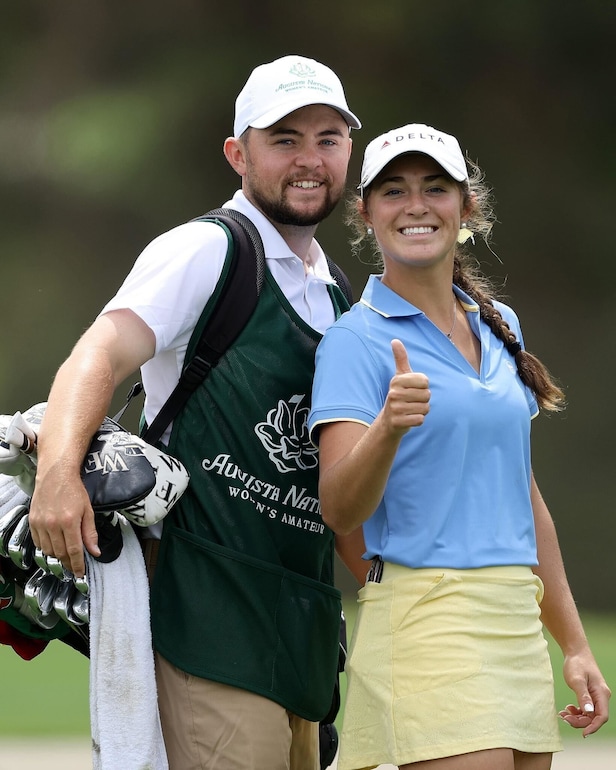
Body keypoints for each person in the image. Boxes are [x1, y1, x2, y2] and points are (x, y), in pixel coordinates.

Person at [27, 54, 362, 770]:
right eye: (285, 140)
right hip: (206, 620)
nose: (310, 160)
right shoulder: (208, 250)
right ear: (238, 154)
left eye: (328, 139)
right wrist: (57, 471)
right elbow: (96, 355)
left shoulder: (334, 288)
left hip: (300, 637)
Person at [308, 123, 611, 770]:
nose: (415, 205)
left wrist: (576, 645)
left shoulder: (500, 328)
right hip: (427, 622)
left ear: (465, 207)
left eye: (434, 188)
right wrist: (387, 427)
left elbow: (523, 499)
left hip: (513, 621)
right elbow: (338, 509)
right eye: (393, 190)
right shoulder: (354, 341)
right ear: (365, 214)